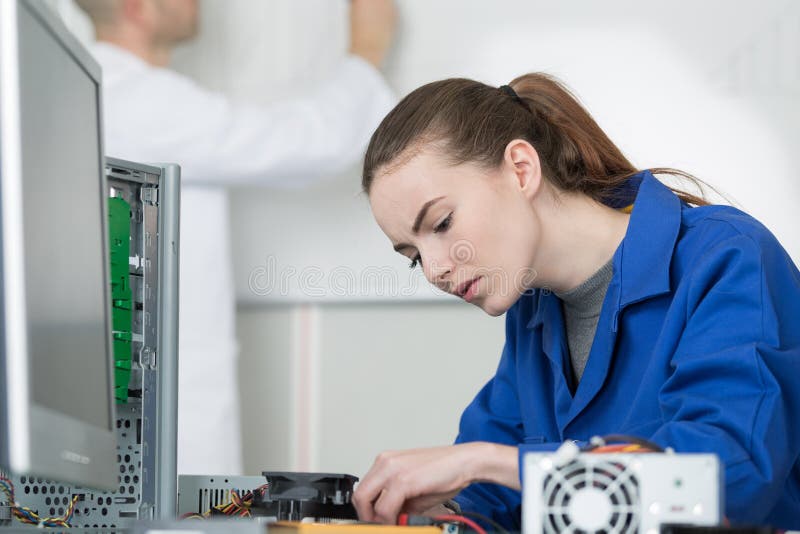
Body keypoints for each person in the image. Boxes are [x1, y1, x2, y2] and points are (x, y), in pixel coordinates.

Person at [351, 73, 800, 529]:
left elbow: (723, 479)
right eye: (413, 258)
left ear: (521, 169)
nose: (434, 270)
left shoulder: (726, 258)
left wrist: (482, 461)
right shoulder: (533, 311)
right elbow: (488, 500)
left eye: (442, 223)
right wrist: (433, 514)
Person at [73, 0, 397, 475]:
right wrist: (367, 47)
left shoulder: (105, 93)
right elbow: (304, 142)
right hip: (161, 420)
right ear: (138, 7)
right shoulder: (135, 98)